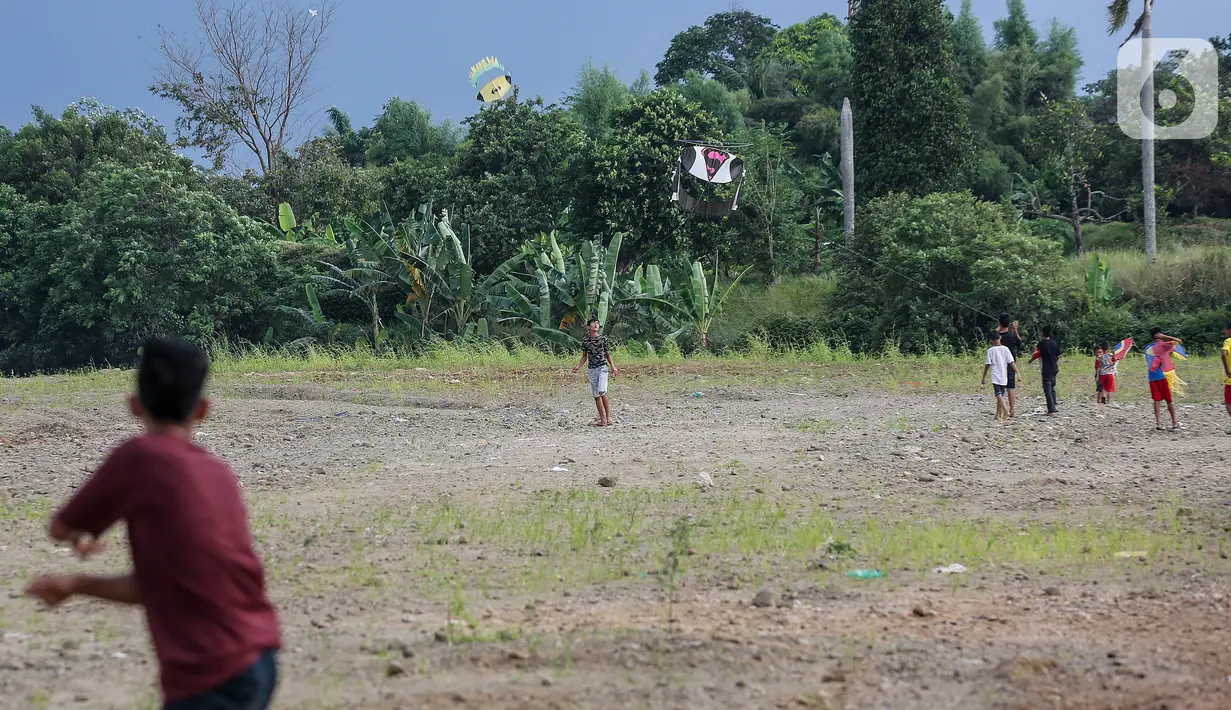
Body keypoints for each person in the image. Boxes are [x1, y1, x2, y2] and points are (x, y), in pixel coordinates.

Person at [24, 338, 281, 710]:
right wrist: (76, 584)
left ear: (134, 406)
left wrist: (78, 543)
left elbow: (59, 528)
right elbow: (161, 588)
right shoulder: (218, 473)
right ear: (204, 410)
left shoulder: (139, 458)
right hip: (261, 659)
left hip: (209, 676)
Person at [573, 318, 619, 426]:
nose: (596, 325)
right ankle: (603, 420)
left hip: (602, 367)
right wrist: (578, 366)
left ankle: (608, 417)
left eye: (597, 323)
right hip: (592, 369)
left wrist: (613, 366)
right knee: (596, 395)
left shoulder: (603, 339)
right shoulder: (585, 341)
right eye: (593, 323)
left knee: (602, 391)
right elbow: (585, 356)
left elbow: (608, 354)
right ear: (588, 327)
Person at [1146, 328, 1181, 430]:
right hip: (1163, 376)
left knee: (1156, 400)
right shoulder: (1162, 345)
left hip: (1152, 377)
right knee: (1169, 400)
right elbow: (1178, 341)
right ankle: (1174, 423)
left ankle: (1158, 424)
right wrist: (1165, 337)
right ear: (1158, 335)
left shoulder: (1148, 348)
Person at [981, 330, 1020, 421]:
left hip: (995, 375)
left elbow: (987, 365)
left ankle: (1005, 410)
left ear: (991, 340)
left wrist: (983, 376)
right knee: (1001, 394)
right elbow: (1011, 362)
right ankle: (997, 414)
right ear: (1000, 337)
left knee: (998, 395)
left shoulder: (990, 350)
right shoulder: (1005, 349)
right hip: (1004, 375)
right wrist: (1018, 372)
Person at [995, 313, 1024, 417]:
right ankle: (1012, 410)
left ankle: (1000, 412)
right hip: (1011, 364)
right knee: (1011, 387)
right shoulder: (1012, 336)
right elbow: (1020, 342)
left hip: (999, 365)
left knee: (1000, 388)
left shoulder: (997, 337)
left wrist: (999, 326)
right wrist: (1015, 329)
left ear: (999, 323)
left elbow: (992, 334)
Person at [1028, 326, 1061, 414]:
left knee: (1047, 390)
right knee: (1052, 387)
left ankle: (1051, 409)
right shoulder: (1054, 343)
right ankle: (1054, 403)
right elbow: (1058, 356)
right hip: (1054, 368)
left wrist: (1030, 360)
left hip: (1046, 369)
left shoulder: (1041, 344)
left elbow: (1036, 354)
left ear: (1042, 333)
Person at [1222, 322, 1231, 425]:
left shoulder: (1228, 341)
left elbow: (1223, 354)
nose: (1225, 331)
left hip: (1230, 379)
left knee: (1228, 402)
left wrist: (1227, 370)